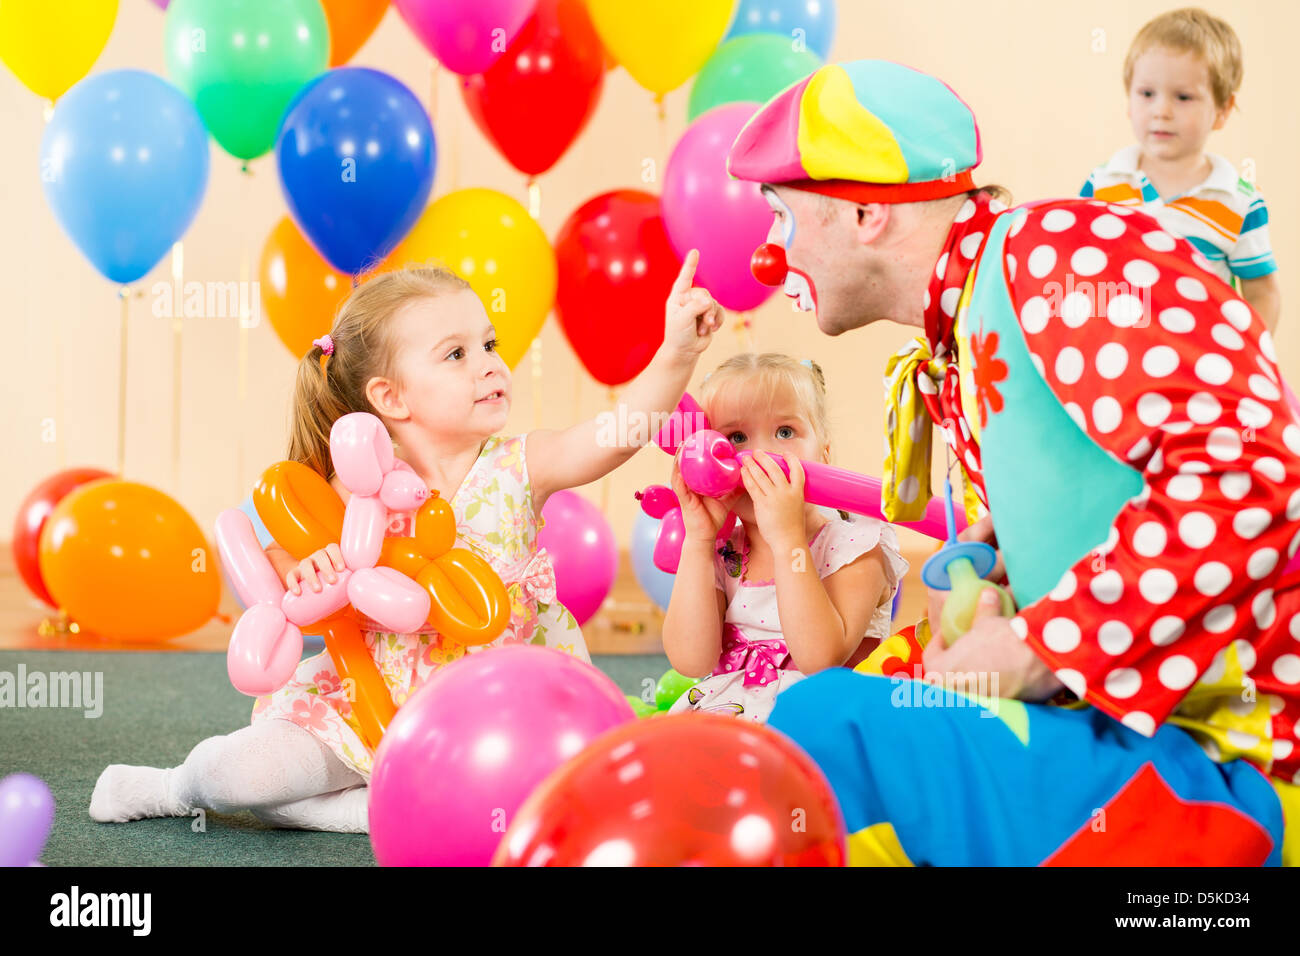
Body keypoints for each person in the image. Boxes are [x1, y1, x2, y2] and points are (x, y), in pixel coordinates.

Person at [726, 58, 1300, 865]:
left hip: (1240, 759)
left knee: (824, 728)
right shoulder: (967, 321)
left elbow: (1252, 475)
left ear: (864, 213)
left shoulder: (1055, 249)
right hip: (1148, 732)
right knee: (840, 705)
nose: (771, 254)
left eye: (782, 218)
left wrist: (1042, 648)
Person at [89, 254, 722, 833]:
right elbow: (275, 552)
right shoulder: (355, 486)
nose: (490, 364)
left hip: (504, 718)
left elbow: (614, 433)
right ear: (391, 398)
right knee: (239, 776)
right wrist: (303, 566)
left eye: (489, 344)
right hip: (369, 710)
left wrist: (675, 354)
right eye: (456, 354)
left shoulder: (521, 466)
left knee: (570, 805)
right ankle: (170, 787)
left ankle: (368, 808)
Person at [662, 353, 907, 721]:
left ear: (824, 455)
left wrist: (787, 539)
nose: (763, 455)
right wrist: (697, 541)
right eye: (737, 437)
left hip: (818, 717)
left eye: (785, 432)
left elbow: (820, 659)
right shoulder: (722, 549)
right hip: (727, 712)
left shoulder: (856, 546)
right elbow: (690, 659)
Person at [1081, 8, 1280, 332]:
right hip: (1120, 366)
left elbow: (1262, 292)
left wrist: (1249, 356)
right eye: (1147, 94)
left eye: (1183, 97)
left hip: (1201, 368)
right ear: (1129, 101)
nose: (1161, 111)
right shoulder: (1101, 187)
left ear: (1222, 109)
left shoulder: (1239, 203)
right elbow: (1084, 271)